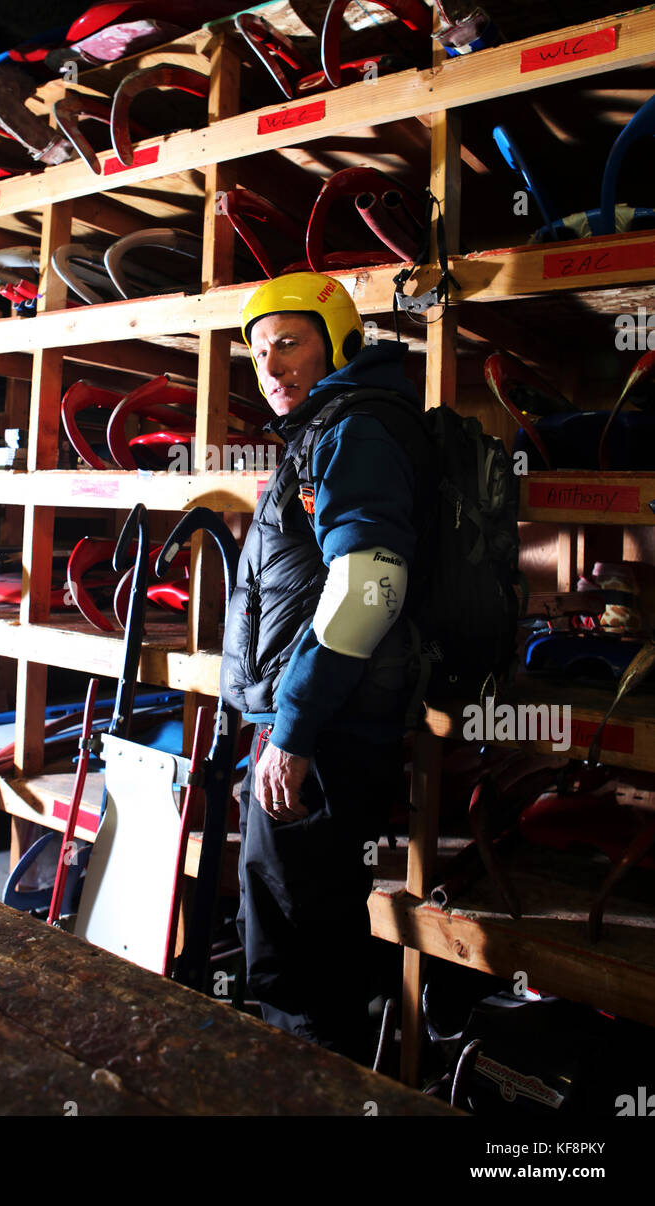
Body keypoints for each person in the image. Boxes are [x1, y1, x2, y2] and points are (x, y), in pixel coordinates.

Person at [221, 270, 427, 1065]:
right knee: (298, 925)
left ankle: (305, 1091)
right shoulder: (327, 429)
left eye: (289, 344)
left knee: (297, 941)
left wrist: (294, 732)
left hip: (325, 732)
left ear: (338, 343)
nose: (271, 368)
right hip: (312, 723)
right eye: (259, 353)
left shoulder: (353, 430)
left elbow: (372, 584)